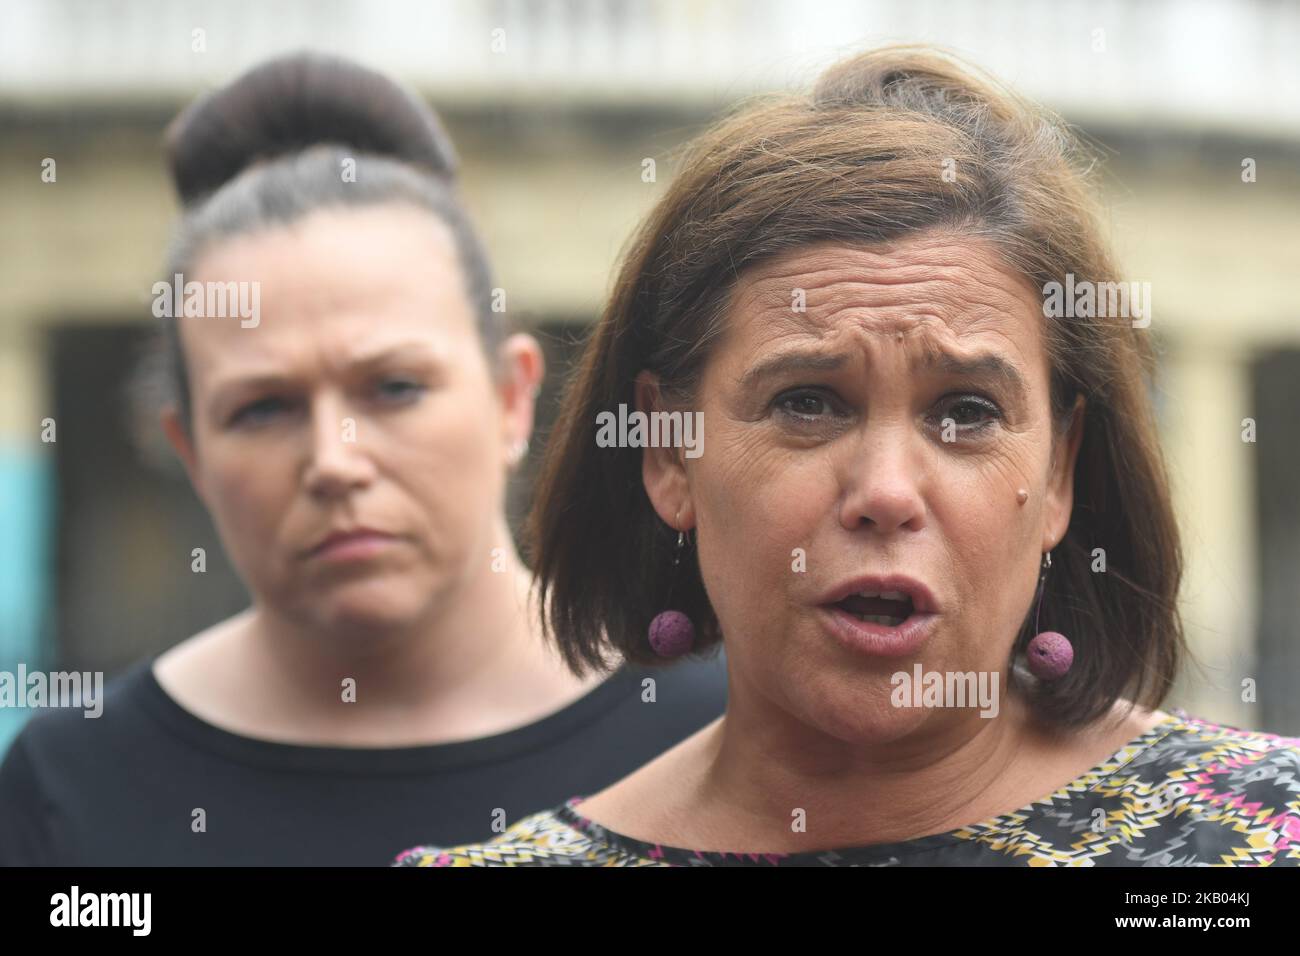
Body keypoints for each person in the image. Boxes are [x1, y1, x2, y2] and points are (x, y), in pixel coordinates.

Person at [393, 45, 1300, 867]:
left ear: (1059, 472)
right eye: (807, 403)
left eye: (966, 413)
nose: (885, 493)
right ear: (670, 453)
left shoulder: (1256, 839)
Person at [0, 52, 726, 867]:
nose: (332, 462)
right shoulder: (74, 782)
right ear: (192, 453)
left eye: (393, 387)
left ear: (512, 398)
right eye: (262, 408)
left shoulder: (723, 737)